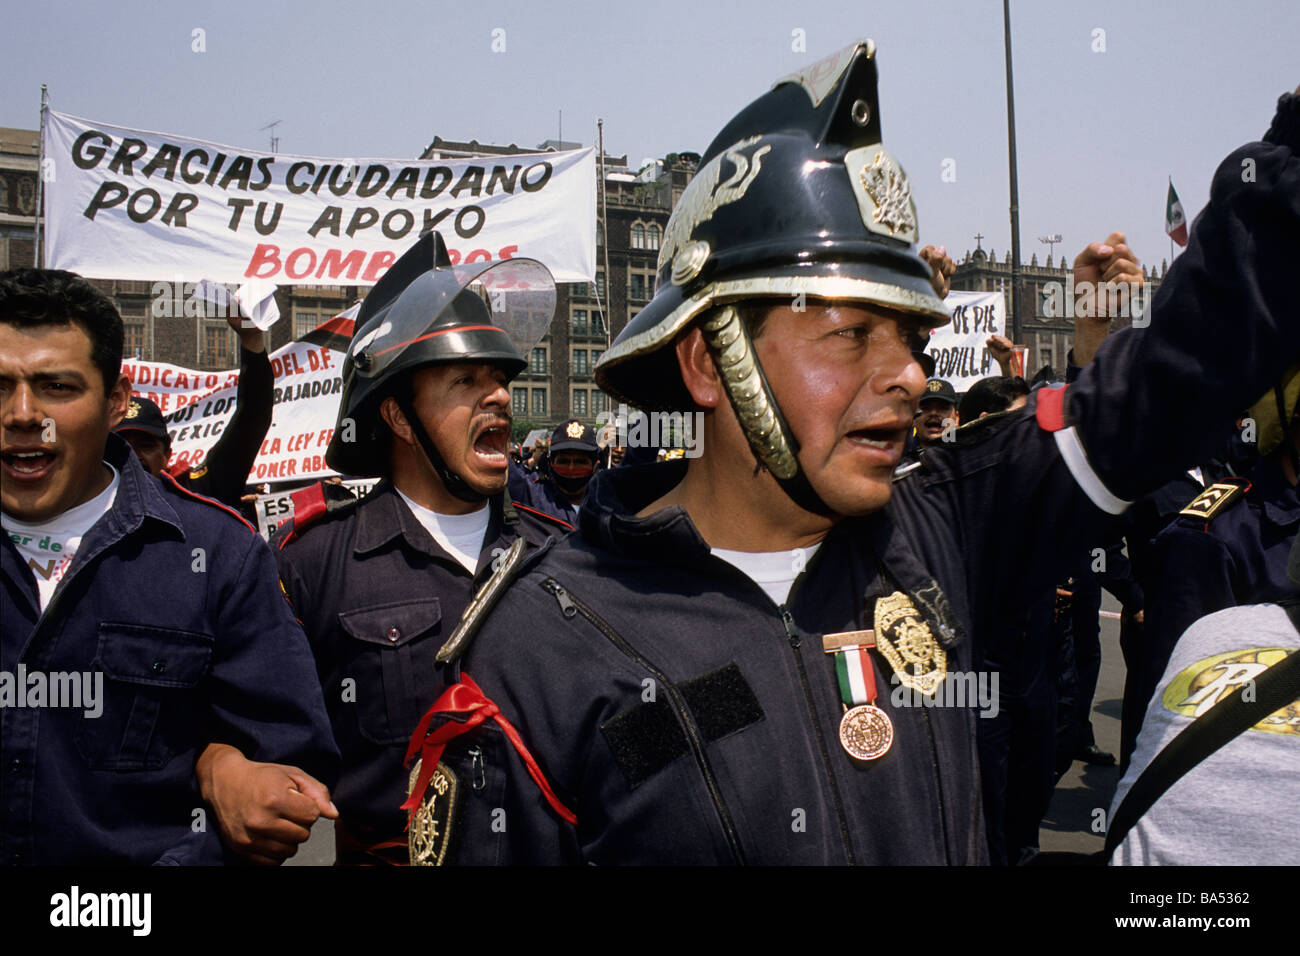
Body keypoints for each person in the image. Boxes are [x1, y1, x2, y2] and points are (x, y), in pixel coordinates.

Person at [401, 46, 1300, 865]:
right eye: (852, 333)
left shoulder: (947, 526)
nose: (908, 374)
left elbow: (1172, 376)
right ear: (711, 361)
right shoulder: (538, 655)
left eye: (909, 333)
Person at [225, 232, 573, 866]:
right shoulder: (310, 565)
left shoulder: (566, 560)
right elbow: (244, 731)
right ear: (399, 419)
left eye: (498, 378)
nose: (497, 396)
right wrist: (222, 767)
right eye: (465, 379)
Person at [0, 267, 337, 865]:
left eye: (56, 388)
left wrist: (225, 766)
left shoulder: (219, 556)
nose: (24, 414)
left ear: (114, 403)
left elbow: (284, 758)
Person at [114, 311, 274, 509]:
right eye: (123, 447)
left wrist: (251, 337)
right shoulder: (80, 502)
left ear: (166, 456)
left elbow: (251, 418)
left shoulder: (195, 492)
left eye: (145, 446)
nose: (135, 456)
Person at [507, 419, 600, 525]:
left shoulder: (608, 504)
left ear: (595, 467)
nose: (571, 468)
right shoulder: (533, 495)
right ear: (551, 464)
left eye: (580, 462)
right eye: (563, 462)